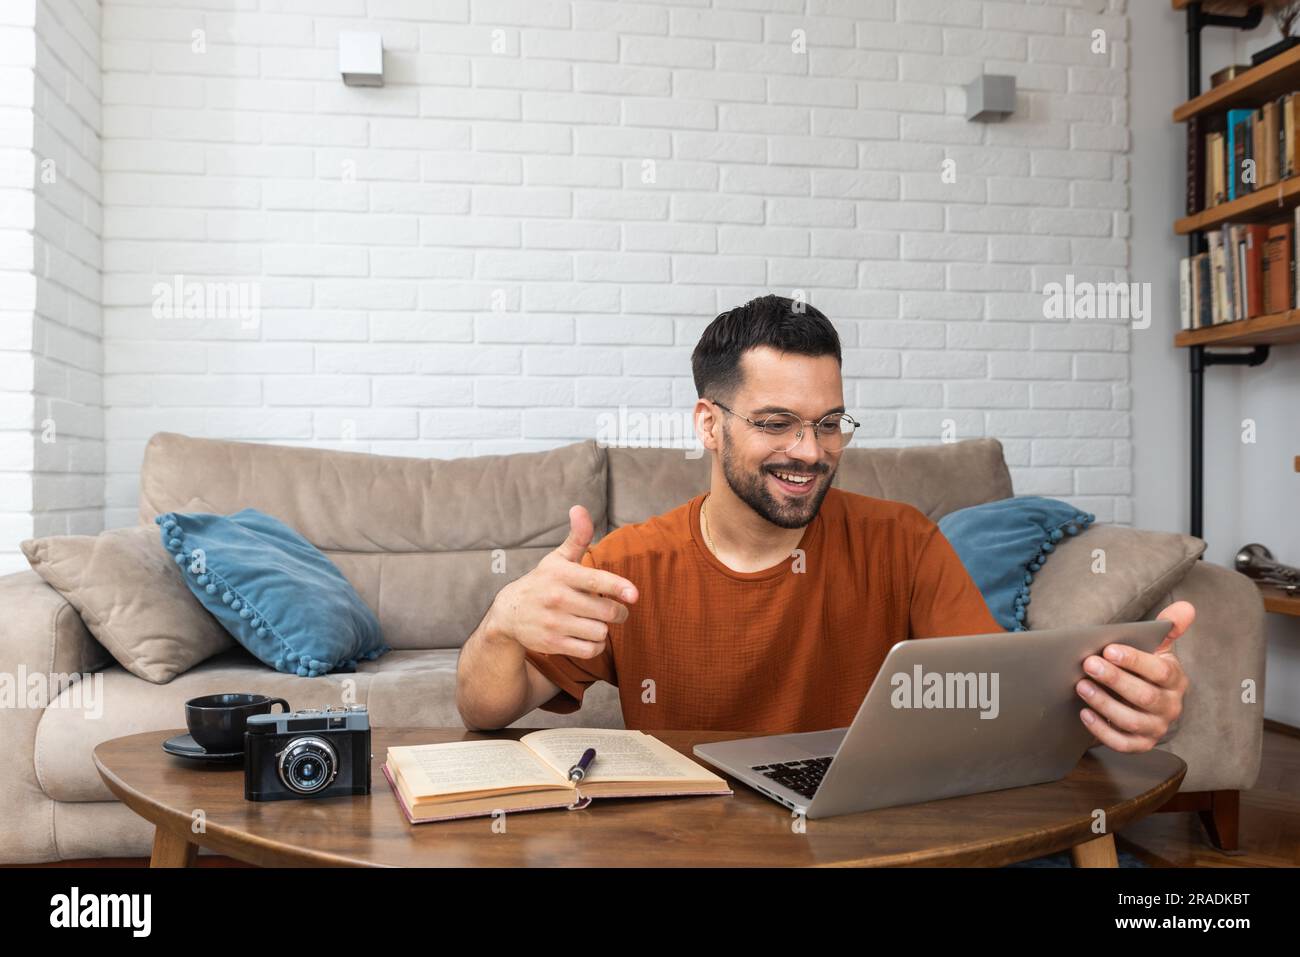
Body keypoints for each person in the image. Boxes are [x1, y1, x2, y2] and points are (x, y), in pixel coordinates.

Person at [457, 295, 1189, 752]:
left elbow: (996, 704)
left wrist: (1114, 703)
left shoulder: (902, 541)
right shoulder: (630, 564)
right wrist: (501, 623)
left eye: (830, 423)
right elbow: (486, 708)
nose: (810, 452)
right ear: (709, 425)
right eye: (777, 423)